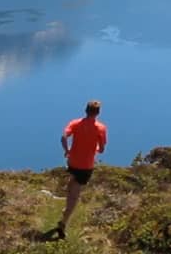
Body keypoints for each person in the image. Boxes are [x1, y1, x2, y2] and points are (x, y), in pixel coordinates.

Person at [57, 100, 107, 238]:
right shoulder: (100, 128)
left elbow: (63, 137)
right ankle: (63, 222)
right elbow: (101, 149)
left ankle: (66, 207)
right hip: (86, 166)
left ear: (86, 110)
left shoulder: (75, 123)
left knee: (72, 182)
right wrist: (95, 149)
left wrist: (67, 150)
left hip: (72, 161)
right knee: (74, 196)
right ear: (98, 113)